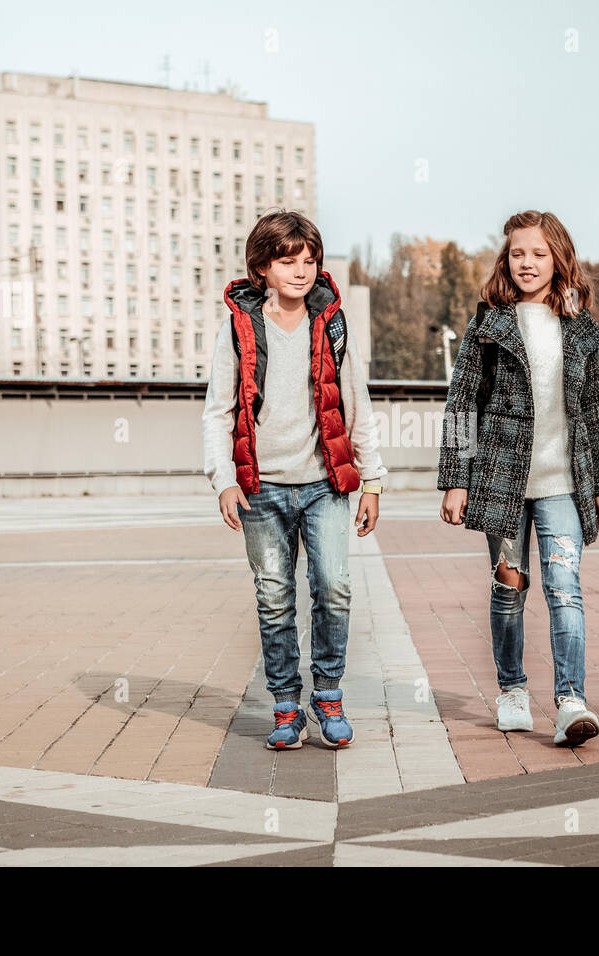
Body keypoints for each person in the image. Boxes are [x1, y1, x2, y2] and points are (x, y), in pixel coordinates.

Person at [202, 210, 386, 750]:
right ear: (261, 268)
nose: (301, 271)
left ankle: (327, 694)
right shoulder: (238, 328)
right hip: (260, 488)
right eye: (288, 261)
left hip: (326, 484)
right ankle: (286, 705)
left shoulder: (331, 322)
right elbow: (217, 412)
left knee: (334, 587)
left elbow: (357, 406)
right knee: (275, 596)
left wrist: (371, 482)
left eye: (309, 261)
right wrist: (223, 481)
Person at [438, 210, 599, 746]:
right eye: (518, 253)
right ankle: (512, 691)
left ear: (558, 258)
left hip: (564, 482)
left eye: (538, 253)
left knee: (566, 589)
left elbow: (594, 409)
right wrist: (456, 478)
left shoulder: (579, 326)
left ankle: (570, 702)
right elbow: (461, 404)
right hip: (502, 481)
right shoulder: (488, 323)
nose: (527, 263)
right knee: (510, 588)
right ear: (506, 259)